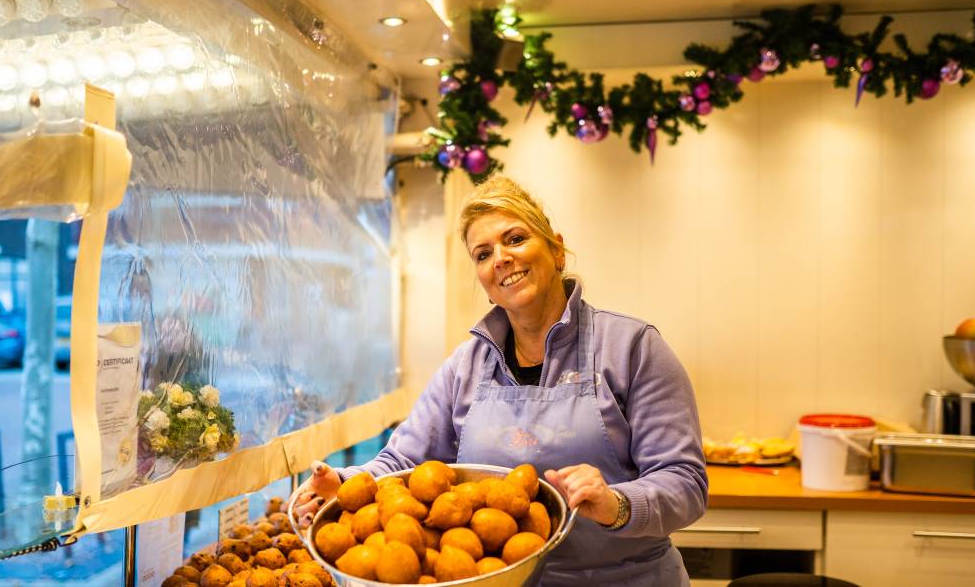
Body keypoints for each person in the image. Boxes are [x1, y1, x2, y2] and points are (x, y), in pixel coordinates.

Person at [291, 176, 706, 585]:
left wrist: (618, 503)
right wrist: (342, 484)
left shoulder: (632, 348)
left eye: (515, 239)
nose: (501, 259)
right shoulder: (466, 366)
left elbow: (685, 482)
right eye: (483, 254)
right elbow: (403, 462)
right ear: (485, 283)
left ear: (557, 250)